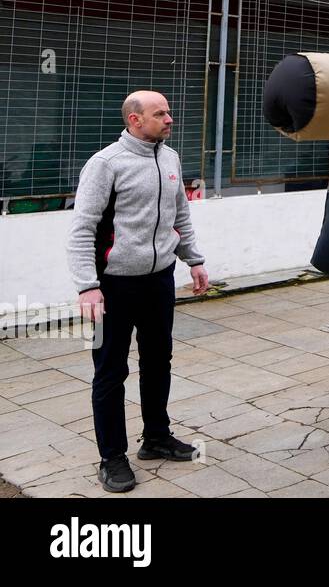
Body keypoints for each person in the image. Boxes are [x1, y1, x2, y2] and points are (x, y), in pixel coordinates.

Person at [67, 90, 210, 493]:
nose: (169, 119)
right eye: (159, 113)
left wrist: (193, 260)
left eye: (168, 112)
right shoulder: (106, 164)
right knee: (110, 371)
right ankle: (112, 457)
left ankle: (157, 438)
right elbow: (82, 229)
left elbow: (180, 214)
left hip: (158, 279)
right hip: (112, 285)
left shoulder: (169, 157)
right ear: (134, 120)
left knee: (157, 360)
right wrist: (88, 286)